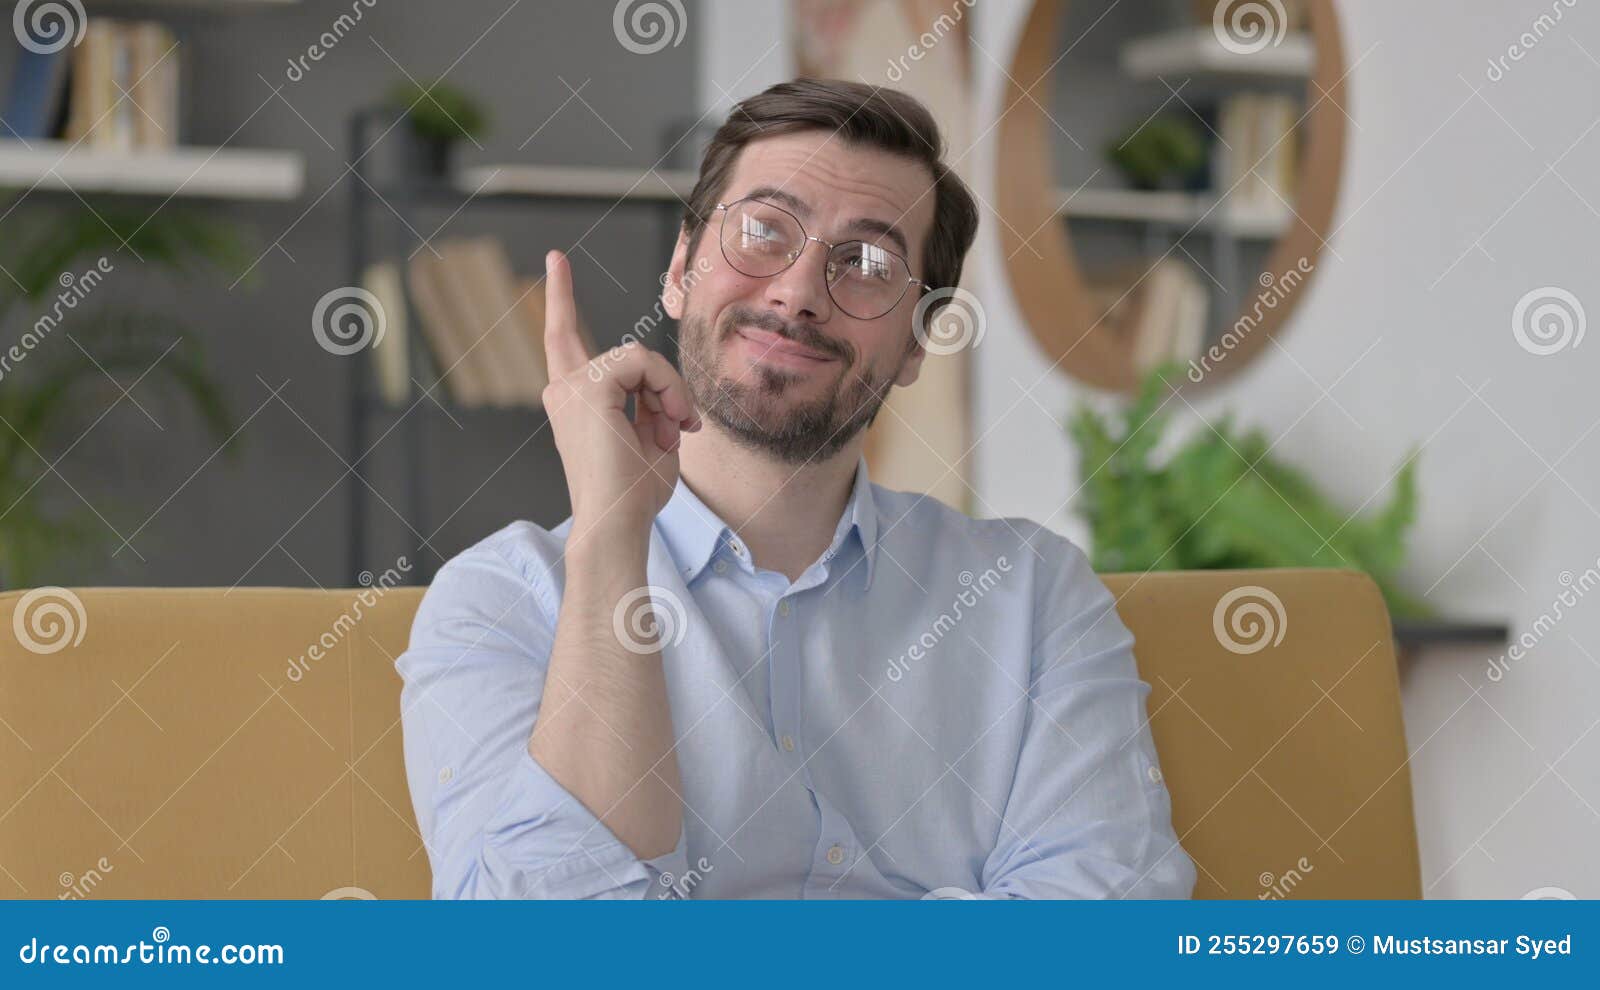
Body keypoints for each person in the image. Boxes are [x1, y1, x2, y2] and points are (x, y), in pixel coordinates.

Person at [396, 78, 1196, 899]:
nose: (799, 293)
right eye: (763, 232)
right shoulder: (502, 600)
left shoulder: (1034, 595)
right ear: (679, 269)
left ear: (919, 341)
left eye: (869, 264)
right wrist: (607, 540)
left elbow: (1103, 934)